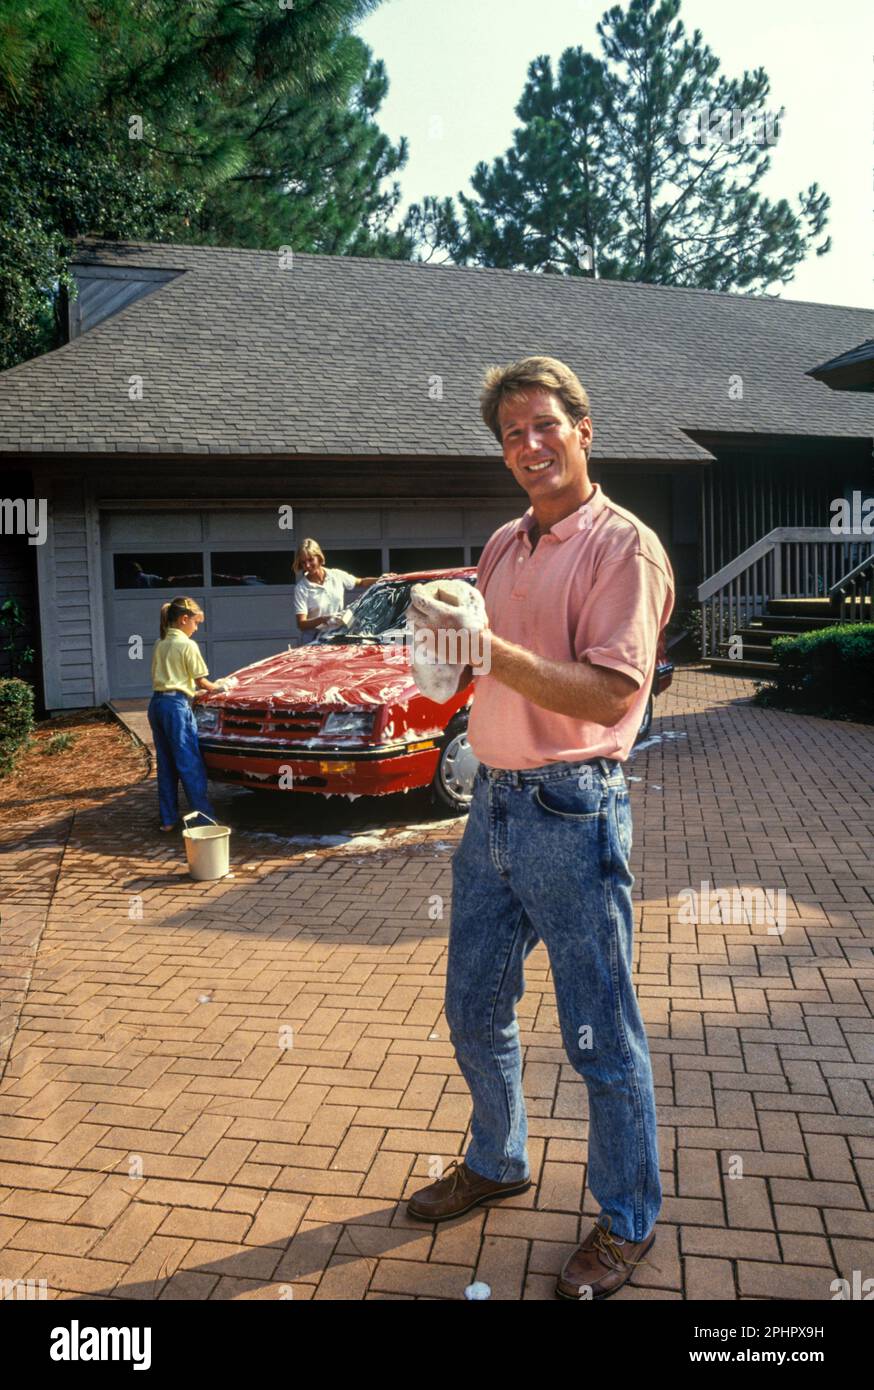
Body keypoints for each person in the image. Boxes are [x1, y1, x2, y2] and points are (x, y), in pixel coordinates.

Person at [405, 356, 674, 1302]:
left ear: (584, 428)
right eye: (511, 434)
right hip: (494, 806)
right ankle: (498, 1158)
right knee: (473, 1004)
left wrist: (488, 653)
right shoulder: (501, 545)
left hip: (574, 807)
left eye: (545, 426)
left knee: (600, 1032)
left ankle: (628, 1217)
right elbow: (471, 668)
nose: (528, 446)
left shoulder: (624, 549)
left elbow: (610, 688)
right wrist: (440, 655)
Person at [148, 596, 231, 832]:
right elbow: (201, 681)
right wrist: (221, 686)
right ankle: (204, 819)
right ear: (184, 619)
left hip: (157, 705)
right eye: (196, 623)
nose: (196, 628)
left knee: (166, 764)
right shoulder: (187, 645)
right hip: (176, 707)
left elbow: (170, 678)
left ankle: (168, 819)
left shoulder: (159, 643)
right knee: (189, 763)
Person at [292, 539, 396, 644]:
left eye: (310, 560)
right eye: (303, 562)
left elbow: (361, 582)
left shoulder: (336, 575)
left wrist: (381, 579)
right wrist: (323, 619)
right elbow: (301, 624)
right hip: (312, 641)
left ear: (319, 557)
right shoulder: (302, 588)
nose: (307, 565)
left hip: (336, 637)